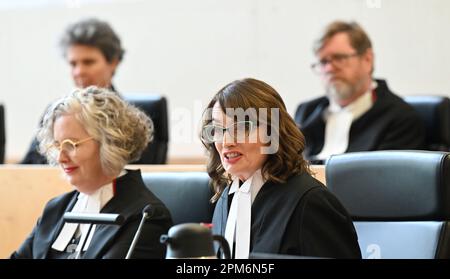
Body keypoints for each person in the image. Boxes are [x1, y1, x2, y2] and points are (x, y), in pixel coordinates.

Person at [201, 78, 361, 259]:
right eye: (217, 129)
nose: (226, 142)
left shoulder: (311, 202)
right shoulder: (226, 199)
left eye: (243, 127)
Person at [11, 87, 172, 259]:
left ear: (110, 143)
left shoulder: (145, 218)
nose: (61, 158)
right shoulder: (55, 208)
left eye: (72, 144)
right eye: (57, 145)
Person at [295, 21, 425, 163]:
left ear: (368, 59)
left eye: (339, 58)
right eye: (323, 62)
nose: (329, 69)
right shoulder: (306, 111)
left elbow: (382, 179)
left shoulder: (401, 118)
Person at [21, 18, 124, 164]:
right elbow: (28, 167)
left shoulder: (125, 117)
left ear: (113, 62)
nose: (79, 71)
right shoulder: (55, 112)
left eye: (88, 62)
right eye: (73, 64)